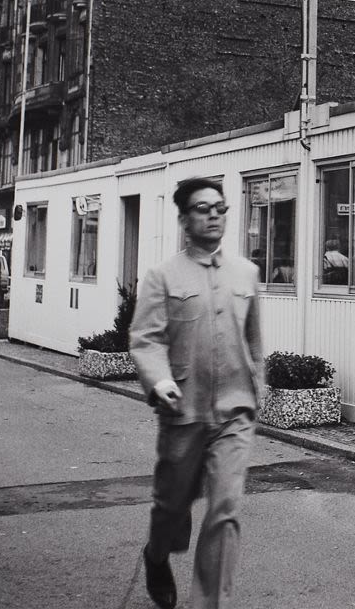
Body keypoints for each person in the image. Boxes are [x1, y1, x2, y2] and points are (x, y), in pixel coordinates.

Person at [129, 177, 263, 609]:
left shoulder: (246, 273)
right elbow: (146, 339)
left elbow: (254, 341)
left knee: (224, 509)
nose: (214, 215)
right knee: (171, 506)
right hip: (182, 411)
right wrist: (160, 380)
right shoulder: (162, 276)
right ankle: (156, 556)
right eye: (203, 209)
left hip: (234, 413)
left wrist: (258, 388)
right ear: (185, 220)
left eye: (220, 208)